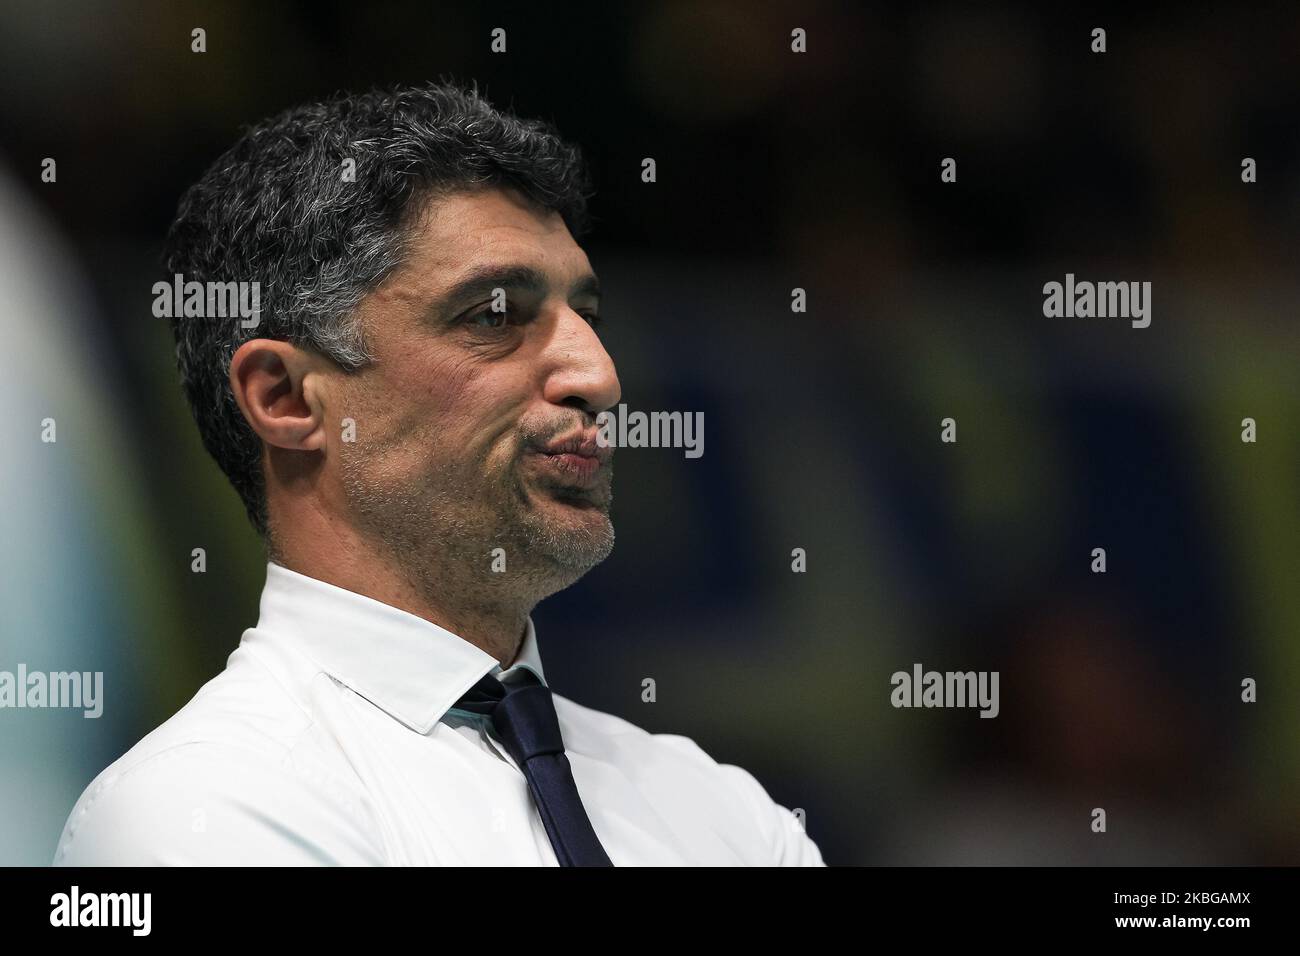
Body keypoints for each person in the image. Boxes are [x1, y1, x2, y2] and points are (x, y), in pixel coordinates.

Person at [52, 81, 824, 866]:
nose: (598, 375)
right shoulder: (198, 809)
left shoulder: (721, 809)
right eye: (494, 316)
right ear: (285, 398)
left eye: (586, 316)